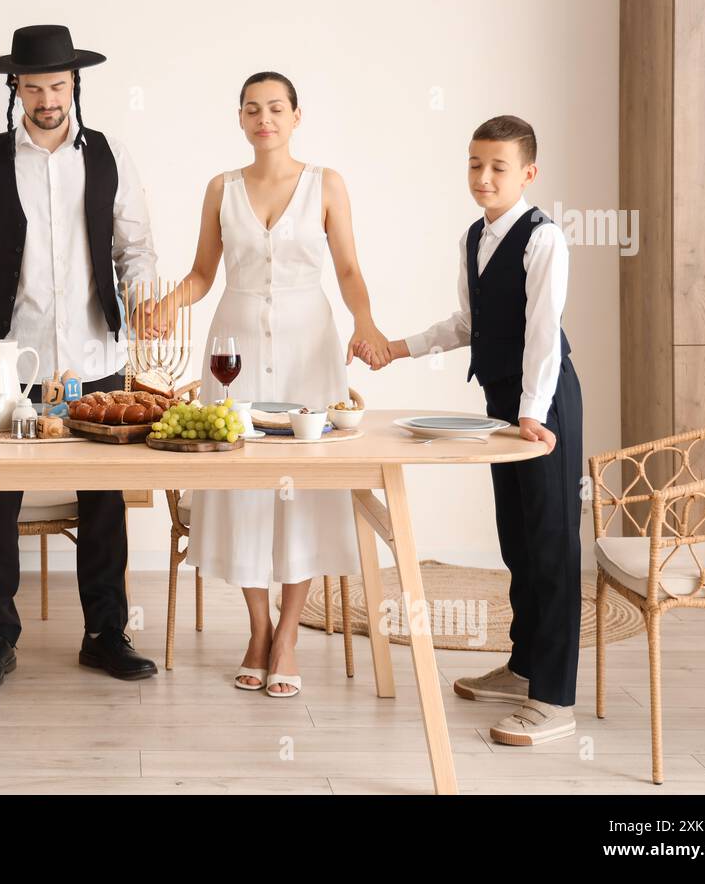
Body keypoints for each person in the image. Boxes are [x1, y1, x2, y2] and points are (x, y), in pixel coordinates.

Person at [0, 24, 160, 689]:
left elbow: (136, 250)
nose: (48, 100)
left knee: (104, 502)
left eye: (58, 86)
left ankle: (105, 634)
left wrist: (144, 299)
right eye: (35, 87)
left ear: (75, 85)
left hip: (95, 355)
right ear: (17, 88)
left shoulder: (109, 155)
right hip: (7, 363)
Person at [159, 71, 389, 696]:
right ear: (239, 118)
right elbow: (203, 272)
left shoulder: (326, 183)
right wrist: (168, 304)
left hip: (309, 346)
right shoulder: (221, 188)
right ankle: (258, 628)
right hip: (232, 345)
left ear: (295, 116)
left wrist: (366, 322)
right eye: (253, 109)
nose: (265, 119)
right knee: (242, 482)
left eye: (277, 108)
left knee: (302, 485)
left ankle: (287, 633)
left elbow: (348, 267)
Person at [359, 114, 584, 745]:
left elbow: (543, 332)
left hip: (543, 406)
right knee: (517, 540)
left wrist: (532, 412)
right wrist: (397, 348)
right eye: (475, 163)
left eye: (498, 167)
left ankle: (554, 700)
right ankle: (524, 668)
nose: (484, 177)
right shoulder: (474, 237)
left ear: (528, 174)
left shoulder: (544, 239)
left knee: (552, 545)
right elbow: (468, 324)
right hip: (502, 406)